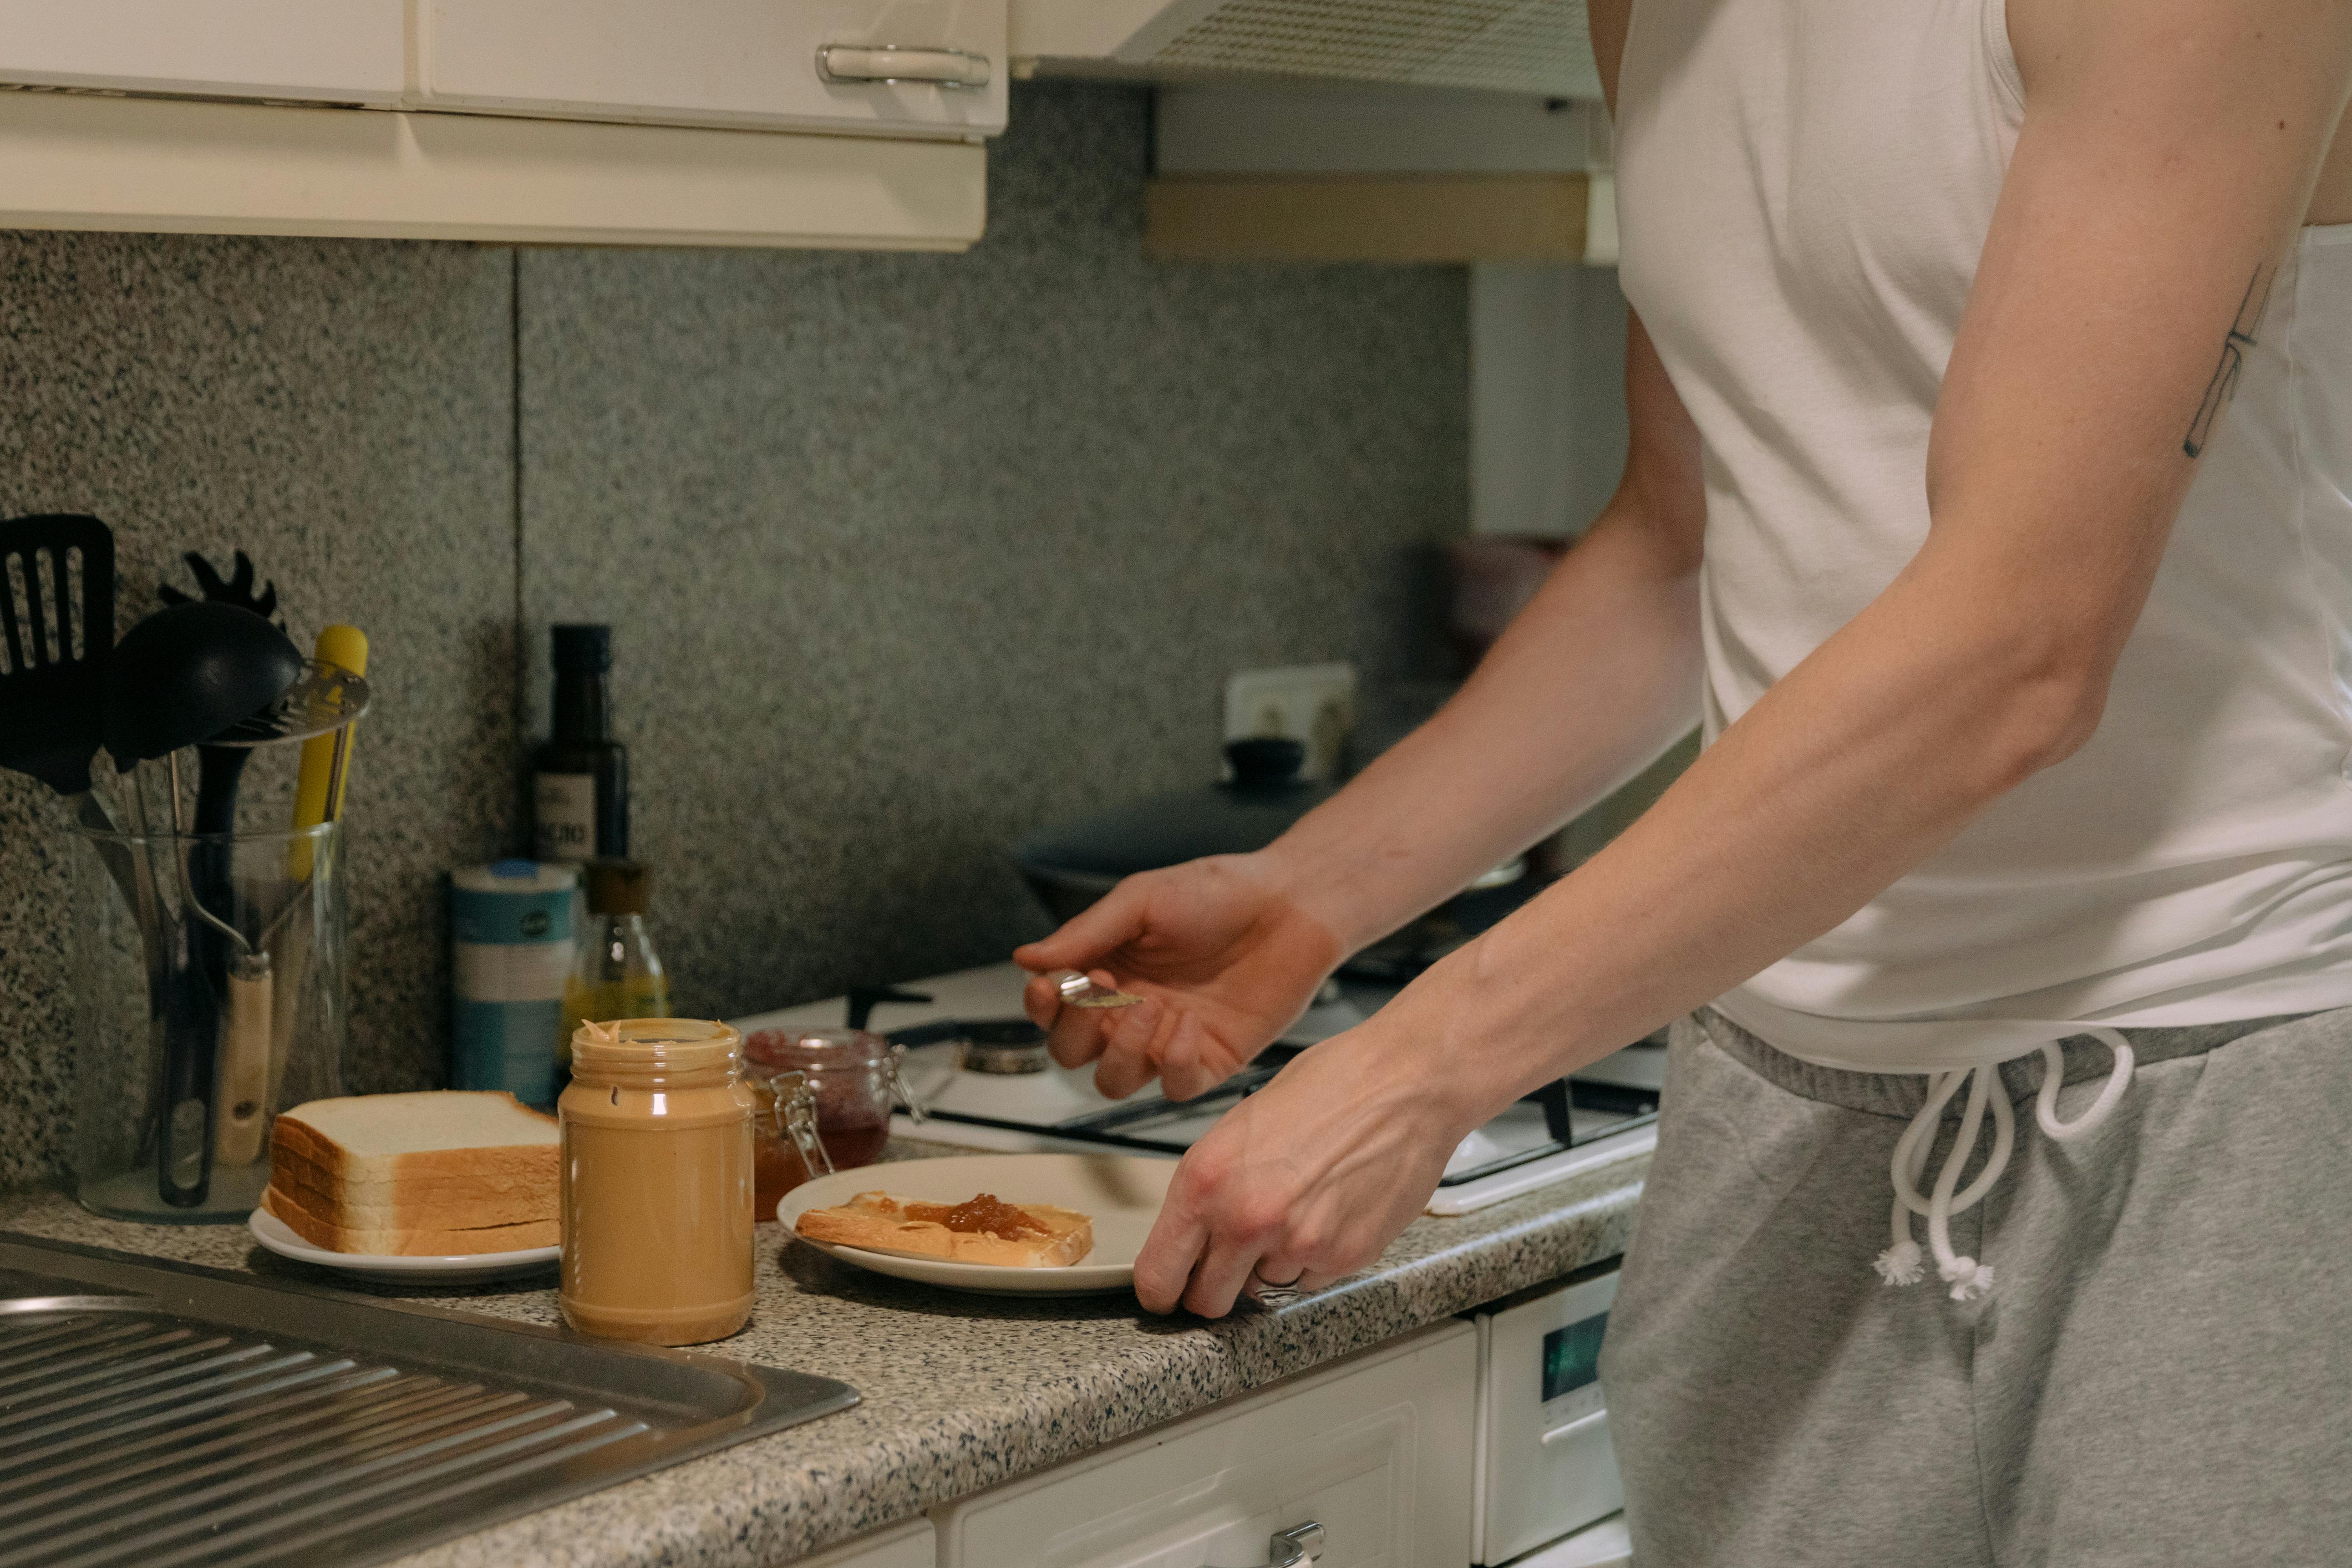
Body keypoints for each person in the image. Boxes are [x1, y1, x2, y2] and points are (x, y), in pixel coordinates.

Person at [1019, 0, 2352, 1561]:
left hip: (2220, 1096)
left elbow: (2021, 649)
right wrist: (1317, 892)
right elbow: (1678, 545)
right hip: (1779, 1096)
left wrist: (1422, 1062)